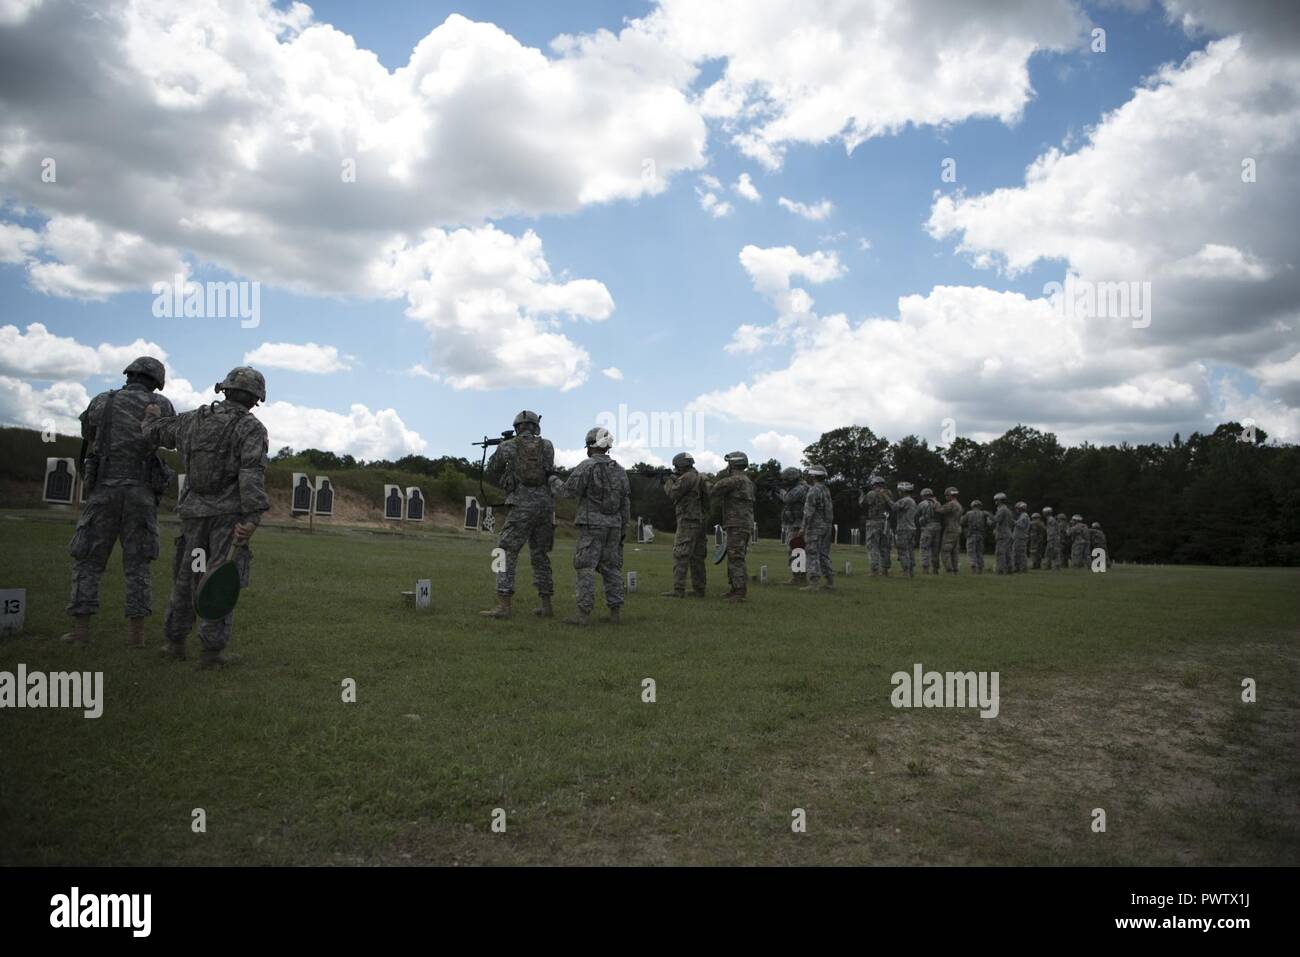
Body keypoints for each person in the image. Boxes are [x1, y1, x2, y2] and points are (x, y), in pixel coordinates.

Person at [142, 366, 269, 668]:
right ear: (255, 398)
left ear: (224, 389)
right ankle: (211, 652)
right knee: (218, 580)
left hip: (194, 517)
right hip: (227, 520)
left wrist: (150, 415)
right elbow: (250, 474)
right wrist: (251, 518)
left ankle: (174, 643)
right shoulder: (251, 428)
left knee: (188, 575)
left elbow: (153, 432)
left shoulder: (191, 420)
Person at [63, 356, 175, 648]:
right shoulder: (161, 405)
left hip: (103, 489)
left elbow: (89, 433)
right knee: (138, 565)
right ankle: (135, 636)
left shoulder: (102, 401)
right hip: (140, 491)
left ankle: (81, 632)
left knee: (88, 560)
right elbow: (170, 439)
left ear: (130, 375)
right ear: (157, 381)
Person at [479, 411, 557, 619]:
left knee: (503, 552)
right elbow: (548, 469)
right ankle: (546, 604)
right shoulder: (547, 446)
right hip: (545, 506)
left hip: (521, 505)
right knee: (540, 554)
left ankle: (504, 604)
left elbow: (491, 470)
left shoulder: (507, 446)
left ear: (517, 427)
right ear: (535, 427)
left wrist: (502, 451)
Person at [549, 427, 630, 625]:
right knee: (611, 568)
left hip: (592, 525)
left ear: (591, 445)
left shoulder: (587, 466)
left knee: (585, 567)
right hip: (615, 526)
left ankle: (583, 614)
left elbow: (568, 491)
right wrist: (623, 528)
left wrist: (552, 479)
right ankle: (615, 613)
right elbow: (626, 502)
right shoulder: (620, 470)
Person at [709, 451, 756, 602]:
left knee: (736, 558)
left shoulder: (734, 480)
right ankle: (735, 589)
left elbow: (713, 490)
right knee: (735, 556)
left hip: (737, 523)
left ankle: (739, 592)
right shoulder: (747, 481)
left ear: (733, 464)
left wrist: (704, 478)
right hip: (743, 523)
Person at [661, 452, 707, 598]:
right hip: (699, 519)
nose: (675, 469)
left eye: (676, 466)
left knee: (680, 554)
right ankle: (699, 589)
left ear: (681, 465)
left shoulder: (687, 477)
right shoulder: (698, 476)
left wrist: (667, 481)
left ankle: (678, 589)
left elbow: (673, 494)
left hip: (688, 520)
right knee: (696, 556)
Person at [798, 465, 834, 592]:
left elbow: (809, 512)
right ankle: (830, 581)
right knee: (824, 554)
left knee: (812, 554)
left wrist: (803, 528)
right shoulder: (826, 490)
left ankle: (813, 583)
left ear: (813, 476)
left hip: (815, 527)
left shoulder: (813, 491)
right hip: (827, 526)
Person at [778, 466, 808, 586]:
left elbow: (788, 498)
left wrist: (779, 490)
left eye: (786, 479)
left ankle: (797, 578)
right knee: (797, 550)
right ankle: (800, 577)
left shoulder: (800, 488)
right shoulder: (797, 487)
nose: (784, 482)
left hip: (798, 524)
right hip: (795, 523)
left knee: (795, 550)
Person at [859, 474, 893, 576]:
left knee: (873, 546)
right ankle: (885, 570)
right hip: (886, 522)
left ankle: (874, 570)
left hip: (874, 522)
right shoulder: (889, 493)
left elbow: (862, 503)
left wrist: (861, 494)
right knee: (885, 546)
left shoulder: (871, 494)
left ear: (874, 484)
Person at [891, 481, 918, 577]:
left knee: (903, 550)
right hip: (911, 528)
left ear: (902, 491)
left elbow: (894, 507)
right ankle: (910, 571)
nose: (898, 492)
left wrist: (886, 497)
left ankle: (905, 571)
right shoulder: (911, 500)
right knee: (910, 550)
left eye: (899, 490)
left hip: (904, 528)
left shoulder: (905, 500)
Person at [936, 486, 963, 574]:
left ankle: (949, 569)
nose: (946, 497)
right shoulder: (959, 504)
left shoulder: (951, 504)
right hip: (957, 528)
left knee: (945, 550)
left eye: (946, 495)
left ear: (949, 495)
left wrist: (935, 502)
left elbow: (939, 510)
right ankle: (955, 570)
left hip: (950, 529)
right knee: (954, 551)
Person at [916, 488, 941, 575]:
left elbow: (916, 514)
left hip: (927, 528)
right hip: (937, 527)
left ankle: (925, 568)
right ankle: (935, 569)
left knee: (924, 548)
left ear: (923, 495)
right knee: (935, 549)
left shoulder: (922, 504)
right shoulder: (937, 503)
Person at [962, 499, 988, 574]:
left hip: (971, 535)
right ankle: (980, 569)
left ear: (972, 506)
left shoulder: (969, 513)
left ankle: (973, 568)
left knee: (971, 552)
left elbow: (962, 521)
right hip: (980, 535)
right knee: (979, 552)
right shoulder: (983, 513)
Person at [992, 492, 1014, 575]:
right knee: (1008, 553)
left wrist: (988, 516)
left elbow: (996, 520)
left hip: (1003, 534)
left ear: (1000, 500)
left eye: (996, 500)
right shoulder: (1007, 509)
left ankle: (1000, 570)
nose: (995, 502)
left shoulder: (1002, 509)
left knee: (1000, 552)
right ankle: (1009, 569)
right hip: (1008, 533)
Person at [1012, 501, 1030, 573]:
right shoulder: (1023, 516)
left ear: (1020, 508)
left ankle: (1023, 568)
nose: (1016, 510)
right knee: (1017, 553)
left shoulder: (1024, 516)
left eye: (1017, 508)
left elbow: (1021, 525)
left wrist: (1014, 521)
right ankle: (1018, 567)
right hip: (1019, 537)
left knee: (1020, 553)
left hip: (1020, 537)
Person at [1042, 506, 1061, 570]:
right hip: (1055, 538)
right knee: (1054, 552)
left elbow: (1051, 531)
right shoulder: (1051, 519)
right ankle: (1055, 566)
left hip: (1052, 539)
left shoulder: (1050, 520)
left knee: (1049, 552)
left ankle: (1049, 566)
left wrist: (1050, 539)